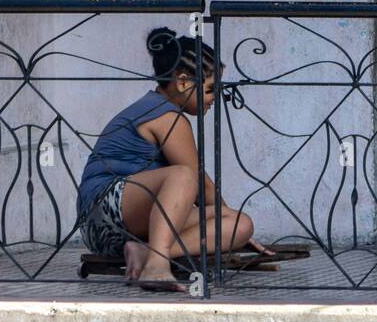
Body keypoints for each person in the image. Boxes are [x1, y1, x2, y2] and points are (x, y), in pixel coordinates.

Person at [75, 27, 271, 292]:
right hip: (104, 210)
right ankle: (157, 266)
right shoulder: (167, 116)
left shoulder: (164, 108)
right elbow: (198, 182)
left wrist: (232, 224)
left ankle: (149, 252)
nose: (215, 99)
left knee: (241, 225)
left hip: (124, 226)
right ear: (182, 82)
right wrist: (224, 212)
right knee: (184, 175)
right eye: (211, 89)